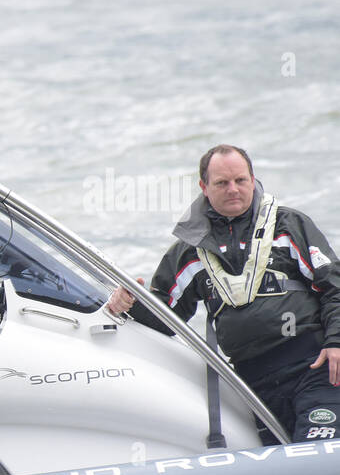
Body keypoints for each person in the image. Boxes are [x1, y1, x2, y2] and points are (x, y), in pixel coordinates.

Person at [107, 145, 340, 442]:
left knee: (316, 451)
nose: (233, 189)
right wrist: (127, 303)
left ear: (253, 181)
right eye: (222, 183)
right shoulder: (188, 252)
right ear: (204, 187)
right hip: (251, 385)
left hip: (315, 367)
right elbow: (163, 318)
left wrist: (336, 341)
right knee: (277, 470)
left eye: (240, 180)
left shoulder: (290, 226)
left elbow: (334, 286)